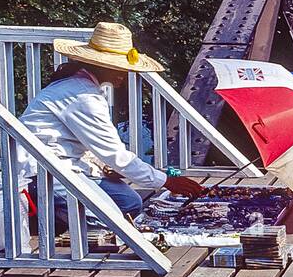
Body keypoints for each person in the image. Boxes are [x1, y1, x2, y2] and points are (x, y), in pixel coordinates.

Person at [17, 22, 205, 231]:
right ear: (100, 65)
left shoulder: (84, 87)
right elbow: (116, 155)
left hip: (68, 162)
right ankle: (43, 216)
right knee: (111, 221)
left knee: (130, 203)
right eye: (118, 68)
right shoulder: (83, 96)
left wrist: (104, 165)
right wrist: (166, 181)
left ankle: (69, 211)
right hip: (42, 172)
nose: (123, 75)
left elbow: (98, 148)